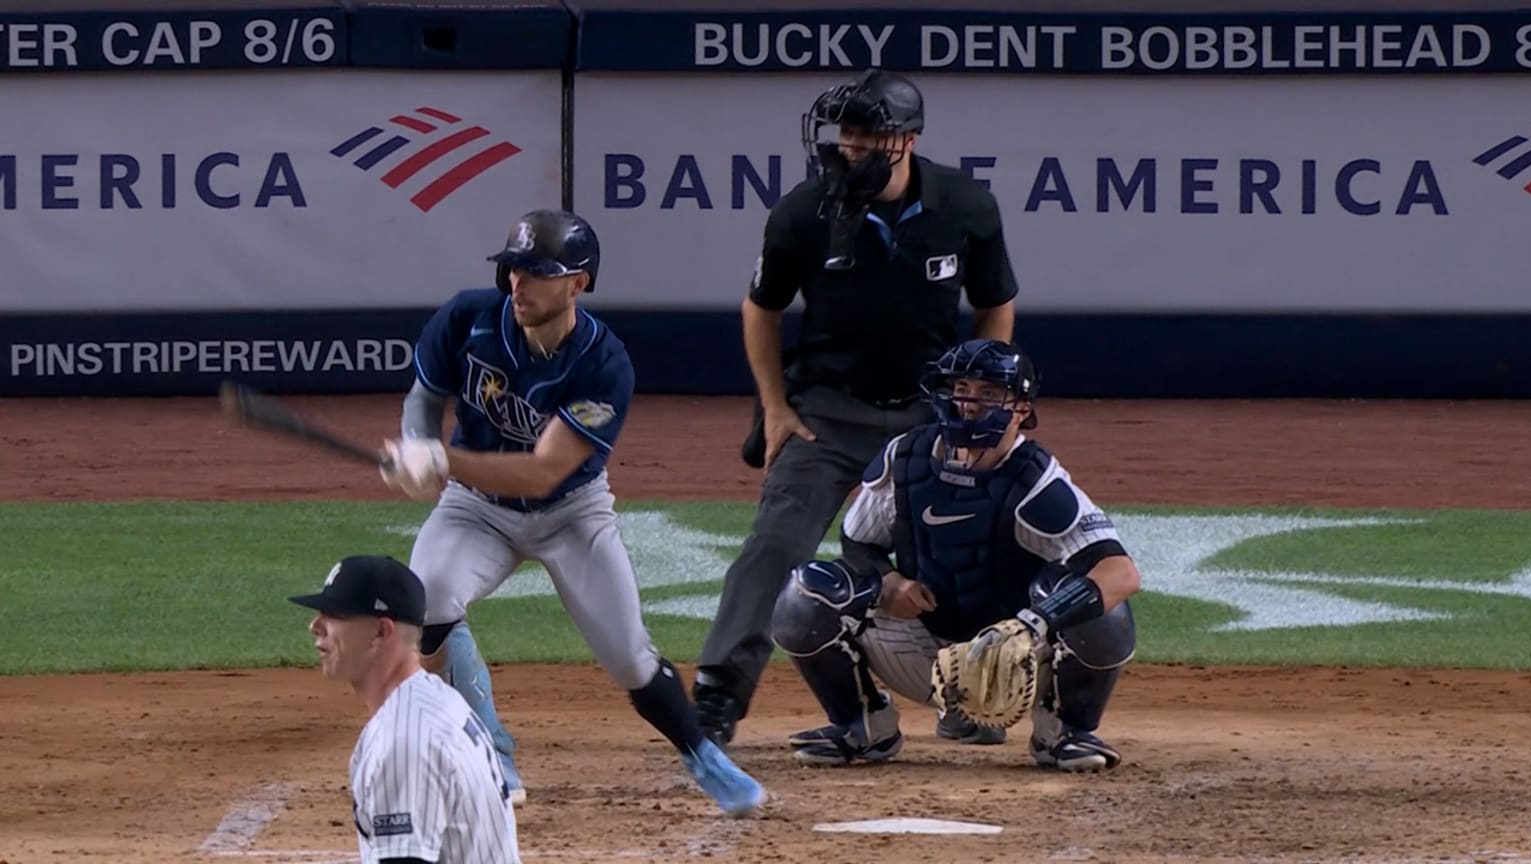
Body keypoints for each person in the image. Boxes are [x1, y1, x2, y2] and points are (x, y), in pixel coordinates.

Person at [374, 208, 764, 817]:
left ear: (579, 282)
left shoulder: (604, 364)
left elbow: (543, 470)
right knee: (427, 600)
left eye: (537, 273)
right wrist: (416, 447)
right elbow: (425, 398)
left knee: (629, 656)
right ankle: (490, 750)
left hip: (570, 513)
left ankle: (702, 754)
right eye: (513, 269)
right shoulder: (467, 318)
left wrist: (440, 459)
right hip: (475, 508)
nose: (518, 285)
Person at [694, 68, 1021, 748]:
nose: (852, 148)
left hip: (928, 417)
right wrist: (775, 407)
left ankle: (963, 689)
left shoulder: (964, 206)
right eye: (845, 135)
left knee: (955, 548)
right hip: (827, 411)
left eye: (868, 136)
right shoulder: (801, 213)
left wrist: (976, 401)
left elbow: (994, 305)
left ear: (906, 140)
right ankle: (719, 696)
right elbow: (761, 310)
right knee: (774, 545)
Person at [767, 339, 1142, 771]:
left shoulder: (1037, 482)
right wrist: (890, 582)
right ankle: (863, 726)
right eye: (961, 389)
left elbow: (1120, 573)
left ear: (1020, 407)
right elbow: (858, 542)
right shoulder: (907, 458)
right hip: (920, 650)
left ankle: (1063, 731)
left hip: (1016, 662)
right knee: (807, 594)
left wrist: (1030, 626)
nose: (969, 404)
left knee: (1103, 613)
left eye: (988, 393)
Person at [289, 554, 522, 863]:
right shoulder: (437, 699)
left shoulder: (404, 742)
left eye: (335, 614)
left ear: (381, 632)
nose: (315, 626)